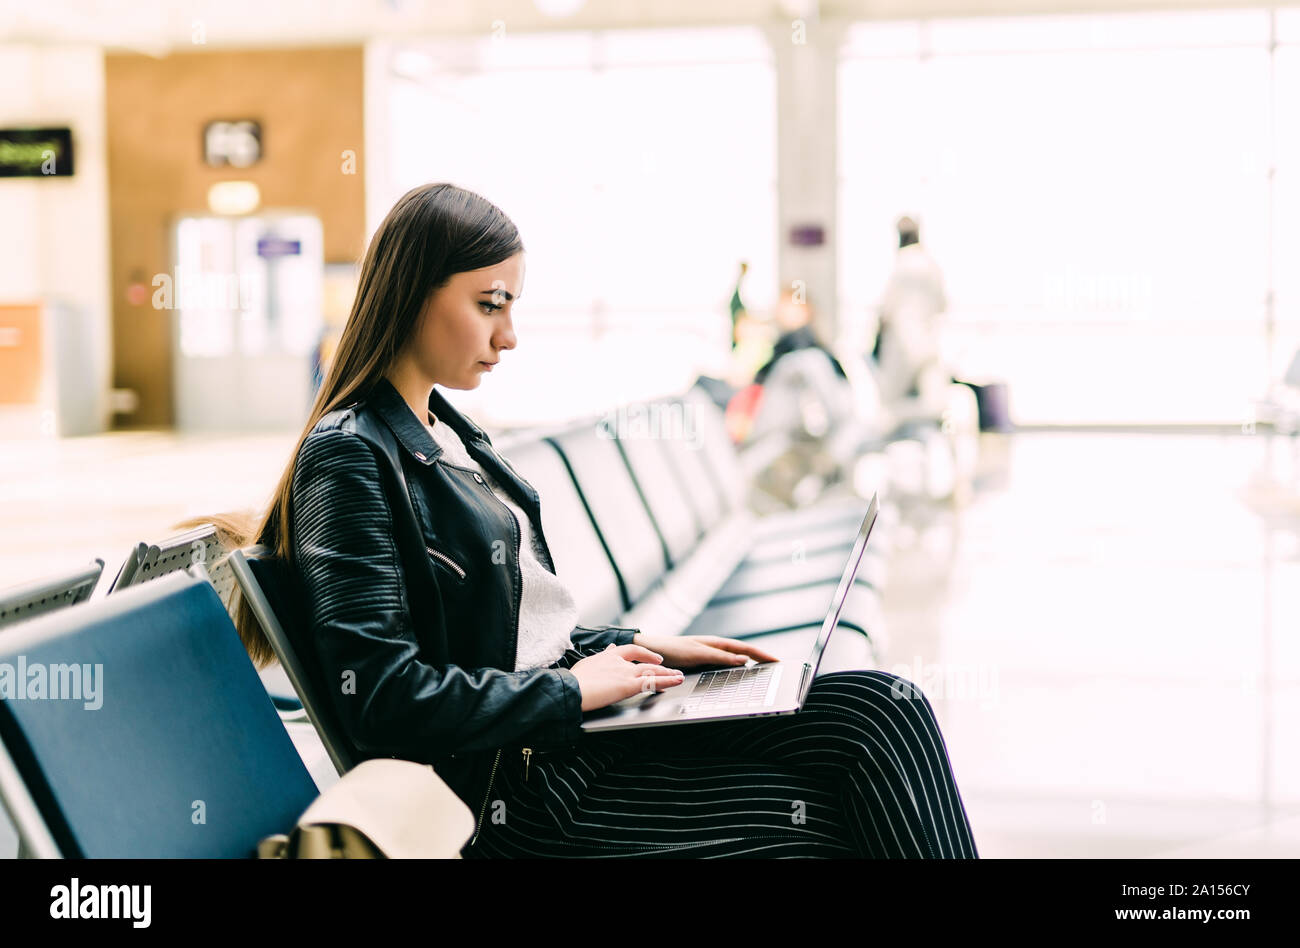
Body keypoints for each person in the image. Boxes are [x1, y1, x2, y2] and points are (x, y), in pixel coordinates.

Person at [192, 183, 979, 858]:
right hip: (520, 797)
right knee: (830, 823)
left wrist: (631, 648)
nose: (509, 334)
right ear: (411, 292)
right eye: (488, 304)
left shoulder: (452, 433)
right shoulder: (352, 455)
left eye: (512, 306)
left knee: (886, 705)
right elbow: (385, 697)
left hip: (570, 737)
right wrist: (572, 692)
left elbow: (511, 635)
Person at [870, 216, 950, 429]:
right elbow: (942, 304)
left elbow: (886, 310)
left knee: (888, 407)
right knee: (934, 404)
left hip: (901, 346)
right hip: (927, 342)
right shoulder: (931, 264)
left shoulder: (901, 264)